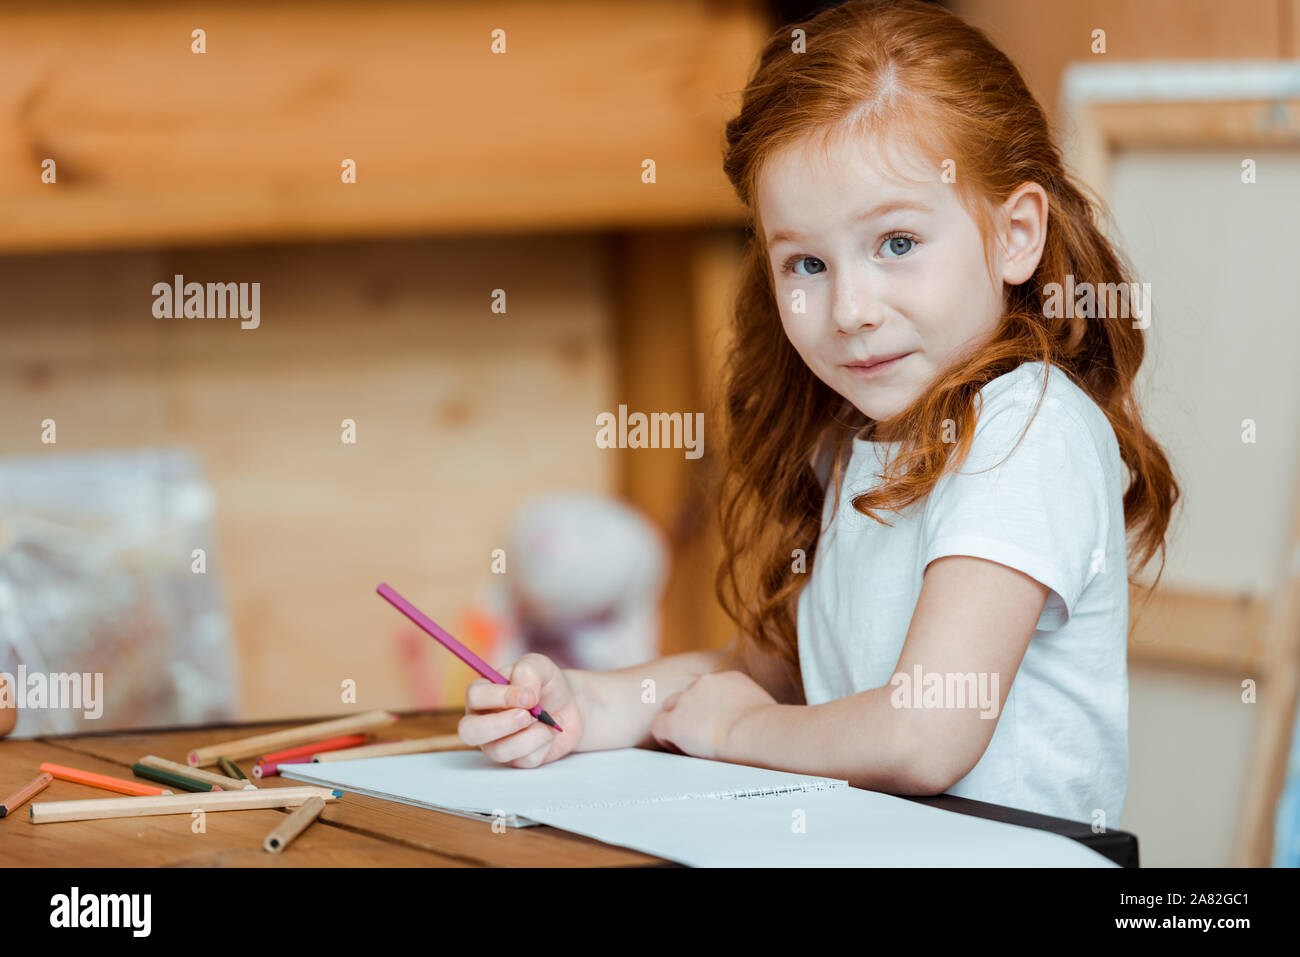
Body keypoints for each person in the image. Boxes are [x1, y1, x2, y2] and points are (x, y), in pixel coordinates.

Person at [457, 0, 1179, 827]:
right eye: (805, 261)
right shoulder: (850, 440)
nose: (850, 308)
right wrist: (589, 702)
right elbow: (767, 679)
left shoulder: (1029, 428)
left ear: (1015, 234)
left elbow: (922, 733)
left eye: (897, 243)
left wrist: (741, 730)